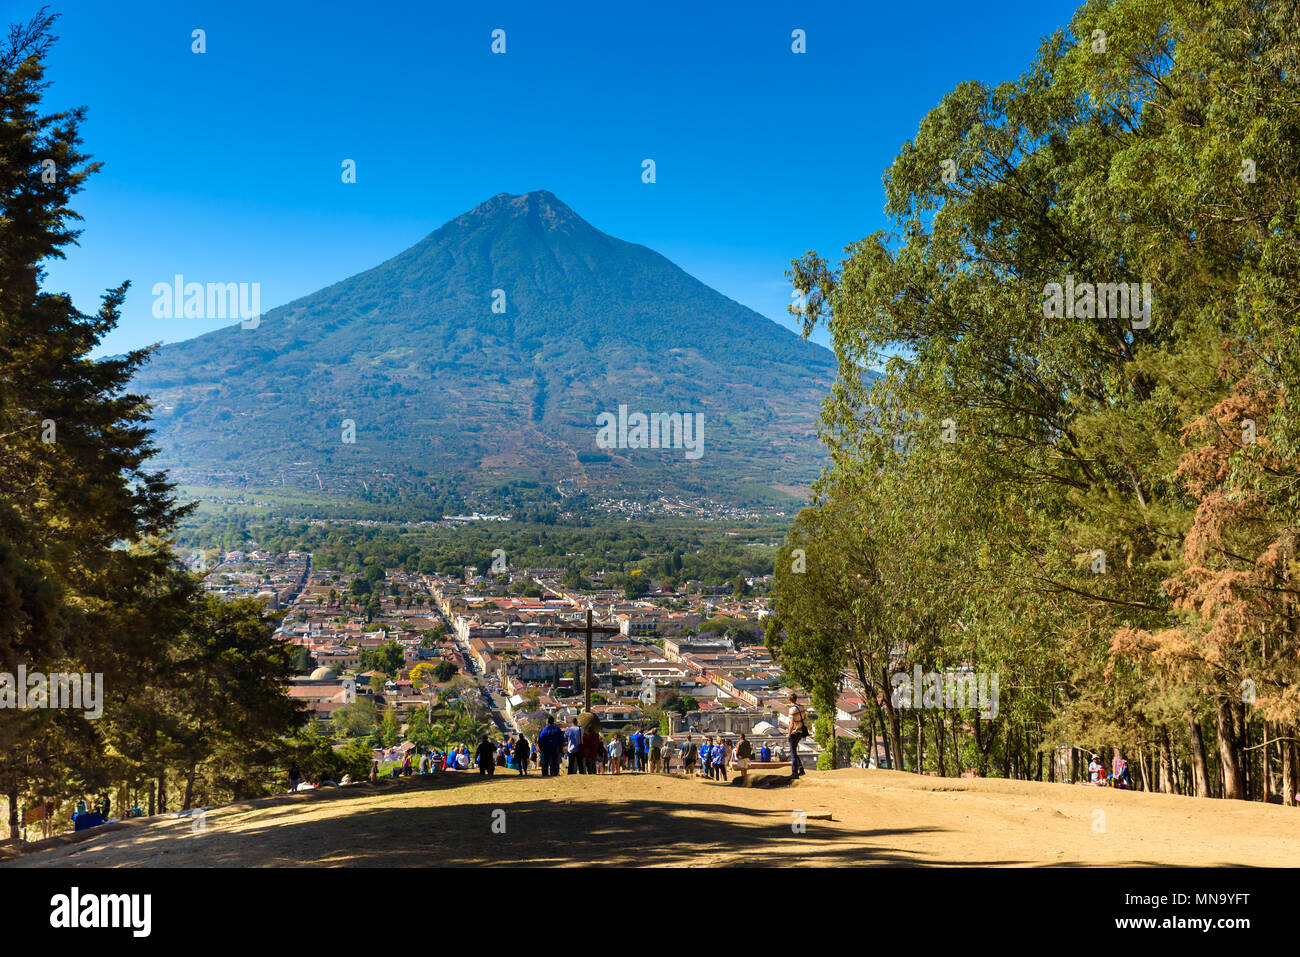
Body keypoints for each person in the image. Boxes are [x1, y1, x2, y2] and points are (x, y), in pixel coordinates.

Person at [787, 693, 810, 778]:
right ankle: (801, 769)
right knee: (793, 751)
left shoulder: (792, 710)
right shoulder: (802, 707)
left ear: (789, 700)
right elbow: (805, 718)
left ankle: (795, 773)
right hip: (801, 732)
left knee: (792, 753)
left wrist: (789, 734)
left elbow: (791, 724)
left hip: (794, 732)